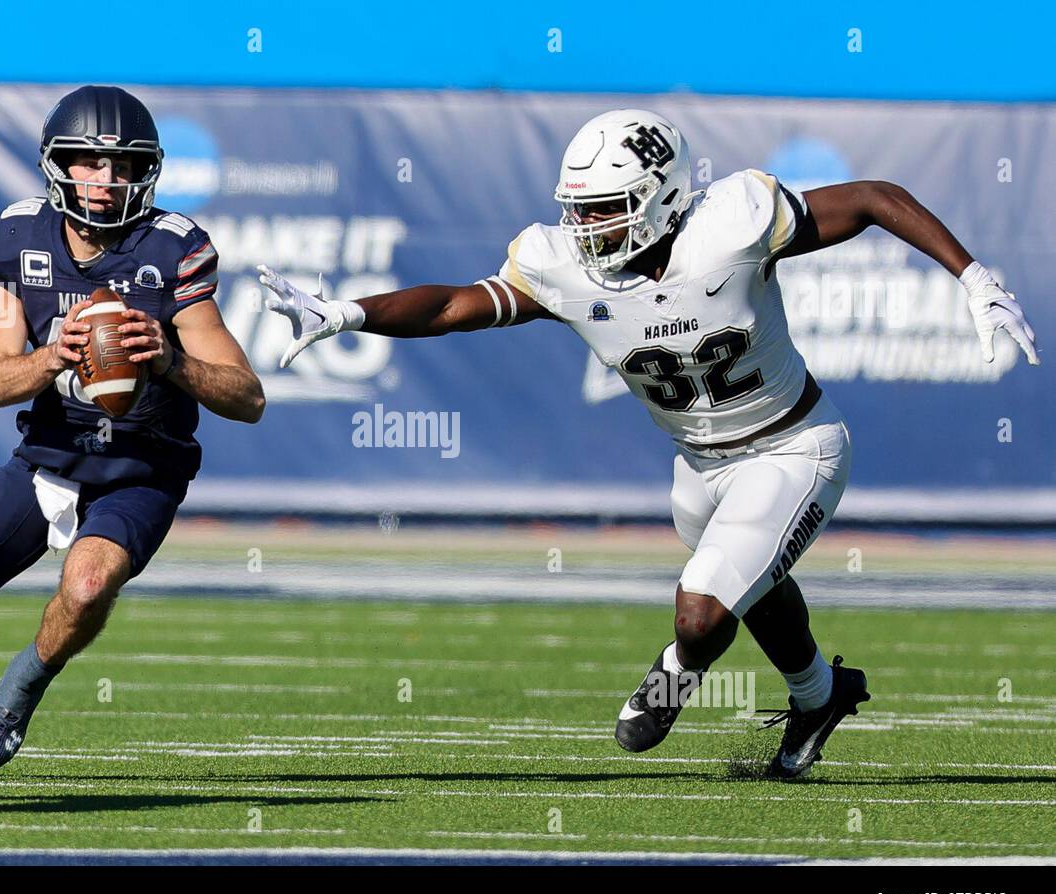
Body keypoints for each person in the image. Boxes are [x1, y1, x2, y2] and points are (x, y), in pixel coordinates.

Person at [258, 108, 1039, 779]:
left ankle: (673, 678)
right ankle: (819, 698)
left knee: (702, 615)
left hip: (794, 447)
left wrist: (973, 276)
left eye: (605, 208)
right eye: (580, 209)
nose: (586, 227)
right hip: (698, 466)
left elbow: (872, 198)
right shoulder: (565, 264)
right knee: (752, 586)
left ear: (662, 198)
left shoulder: (731, 224)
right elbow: (458, 303)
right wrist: (350, 313)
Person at [0, 85, 264, 775]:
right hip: (46, 456)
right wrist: (55, 355)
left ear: (147, 172)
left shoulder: (173, 249)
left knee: (85, 587)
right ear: (57, 166)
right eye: (90, 163)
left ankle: (20, 690)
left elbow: (247, 395)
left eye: (125, 167)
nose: (107, 182)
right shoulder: (16, 238)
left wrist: (167, 358)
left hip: (142, 464)